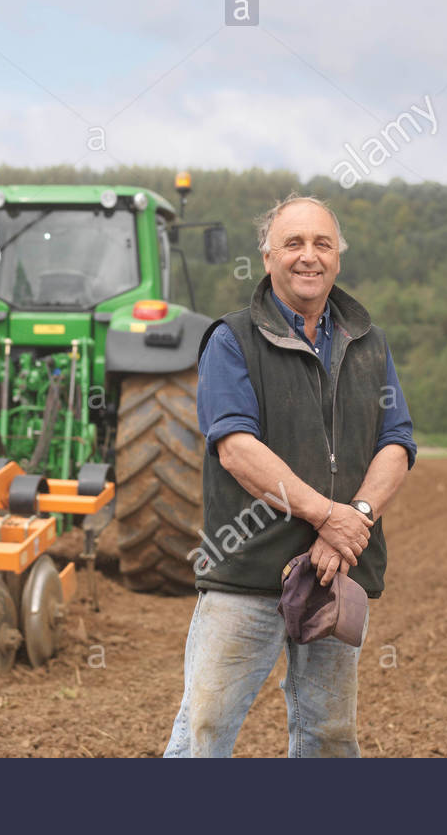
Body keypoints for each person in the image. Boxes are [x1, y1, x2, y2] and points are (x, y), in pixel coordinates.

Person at [164, 193, 416, 758]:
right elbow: (236, 449)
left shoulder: (369, 345)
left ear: (339, 259)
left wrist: (357, 518)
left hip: (338, 575)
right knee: (205, 728)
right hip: (248, 570)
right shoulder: (231, 340)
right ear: (268, 257)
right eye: (294, 244)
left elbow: (396, 444)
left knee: (328, 736)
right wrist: (327, 515)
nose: (309, 256)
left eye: (322, 244)